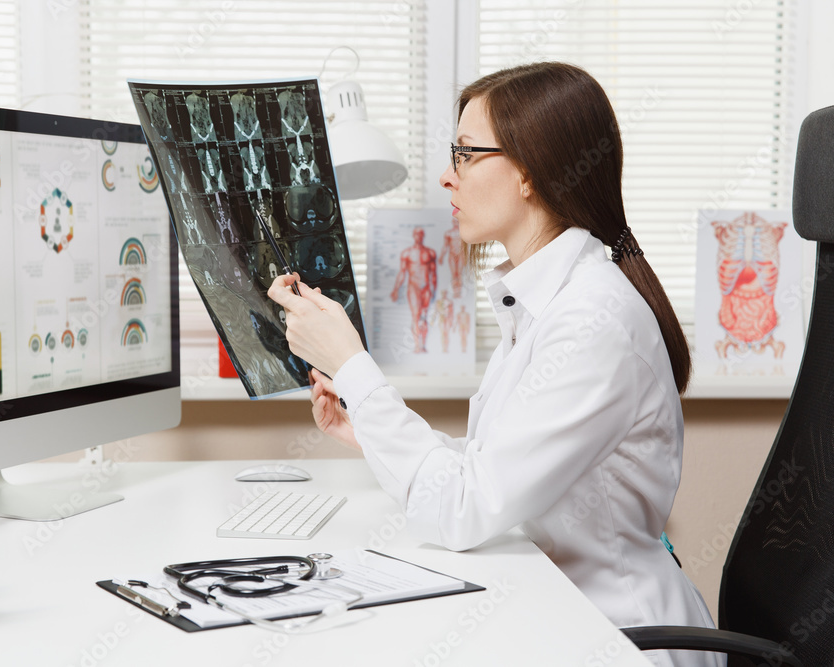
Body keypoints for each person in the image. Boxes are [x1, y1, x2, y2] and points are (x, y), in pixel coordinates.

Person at [268, 62, 720, 667]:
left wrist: (351, 364)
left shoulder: (592, 321)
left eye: (465, 154)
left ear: (529, 172)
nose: (446, 178)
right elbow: (498, 469)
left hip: (621, 638)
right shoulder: (547, 302)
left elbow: (464, 509)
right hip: (559, 609)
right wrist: (369, 431)